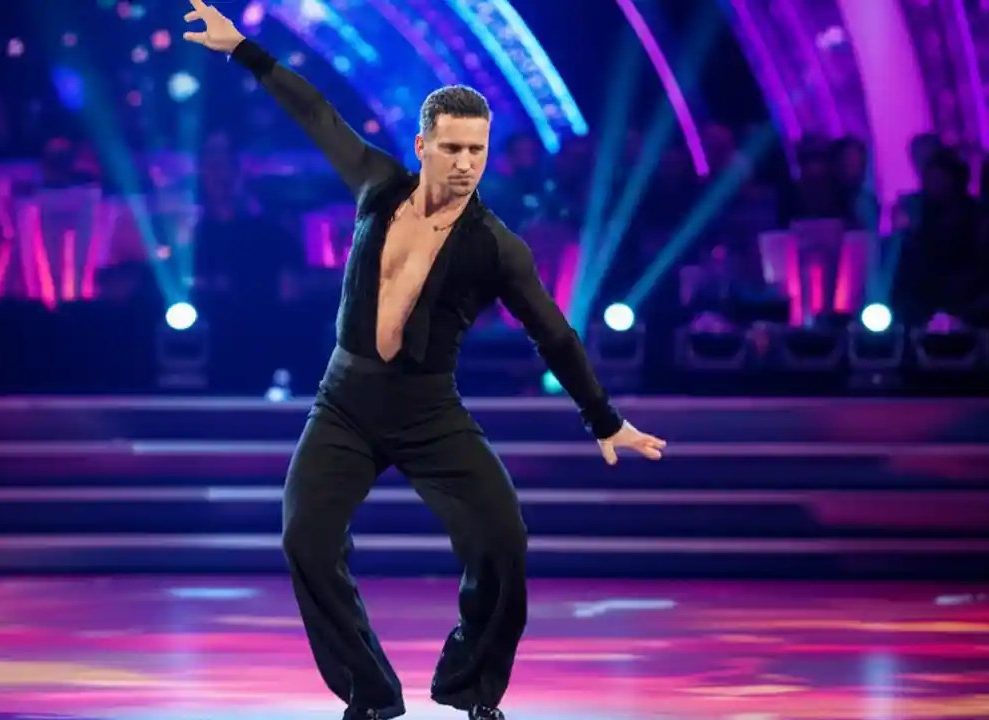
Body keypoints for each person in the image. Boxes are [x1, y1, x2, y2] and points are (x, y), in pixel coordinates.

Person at [183, 2, 667, 718]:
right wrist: (243, 49)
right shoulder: (378, 188)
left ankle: (474, 688)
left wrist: (604, 420)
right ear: (423, 146)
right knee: (305, 539)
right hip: (344, 402)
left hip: (428, 410)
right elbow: (317, 114)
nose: (467, 163)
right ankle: (371, 694)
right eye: (453, 149)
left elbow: (554, 334)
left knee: (503, 541)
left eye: (478, 150)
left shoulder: (495, 245)